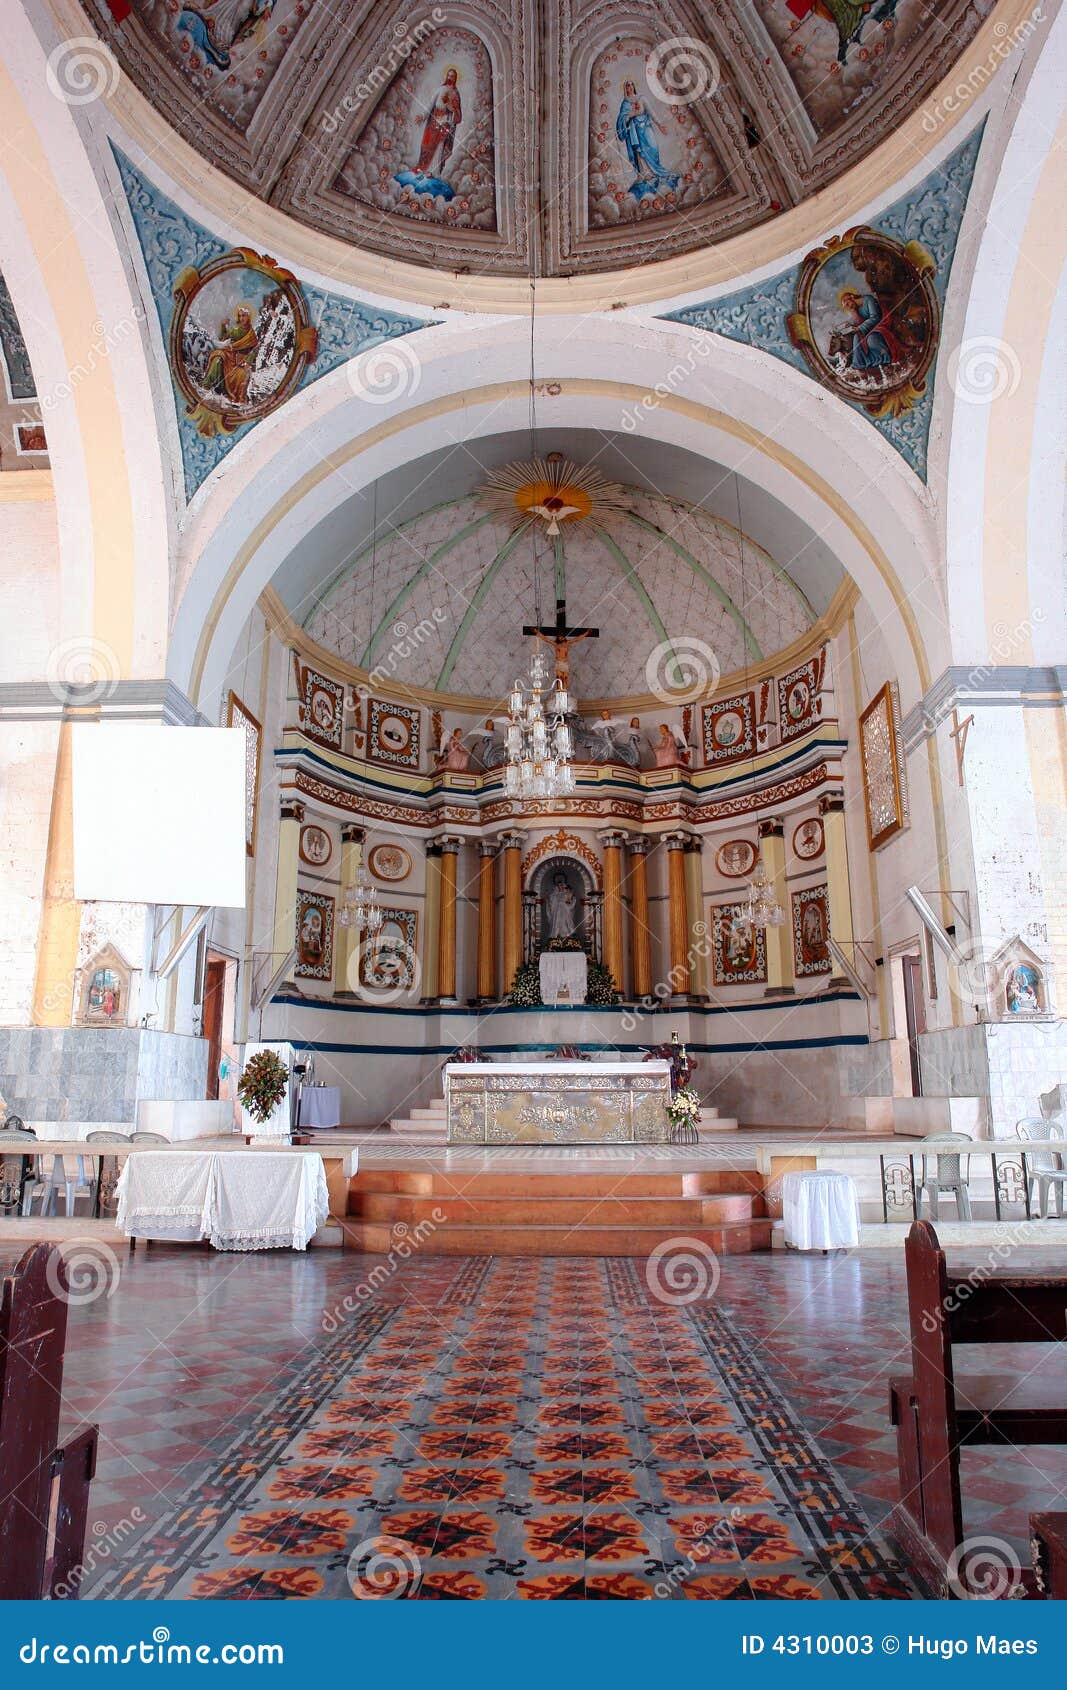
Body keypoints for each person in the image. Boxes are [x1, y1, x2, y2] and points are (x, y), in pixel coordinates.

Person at [615, 81, 679, 193]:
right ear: (625, 88)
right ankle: (646, 173)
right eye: (627, 85)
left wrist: (660, 125)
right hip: (635, 132)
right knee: (640, 151)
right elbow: (622, 119)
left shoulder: (641, 98)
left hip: (646, 127)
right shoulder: (625, 103)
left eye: (631, 84)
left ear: (634, 86)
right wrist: (629, 115)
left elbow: (651, 112)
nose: (630, 87)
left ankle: (657, 171)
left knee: (653, 147)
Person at [202, 304, 258, 406]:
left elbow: (253, 350)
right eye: (240, 316)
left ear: (248, 317)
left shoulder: (251, 334)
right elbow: (223, 339)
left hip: (241, 360)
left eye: (244, 316)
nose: (241, 318)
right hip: (229, 354)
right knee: (218, 357)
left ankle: (235, 398)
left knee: (242, 374)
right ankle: (208, 385)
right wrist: (224, 327)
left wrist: (248, 362)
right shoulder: (234, 329)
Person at [416, 66, 462, 177]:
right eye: (449, 75)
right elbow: (431, 104)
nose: (450, 78)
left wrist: (451, 108)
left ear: (455, 78)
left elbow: (458, 114)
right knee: (427, 144)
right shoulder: (440, 89)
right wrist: (422, 116)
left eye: (452, 76)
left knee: (440, 146)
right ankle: (423, 169)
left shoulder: (456, 94)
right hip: (434, 120)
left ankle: (434, 172)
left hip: (445, 122)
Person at [545, 872, 578, 940]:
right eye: (559, 885)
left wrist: (571, 899)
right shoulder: (554, 894)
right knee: (557, 923)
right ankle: (556, 936)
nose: (561, 887)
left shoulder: (566, 893)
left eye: (561, 885)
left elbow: (570, 902)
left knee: (565, 923)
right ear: (557, 886)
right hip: (557, 911)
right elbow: (551, 902)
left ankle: (566, 936)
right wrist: (548, 899)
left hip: (565, 910)